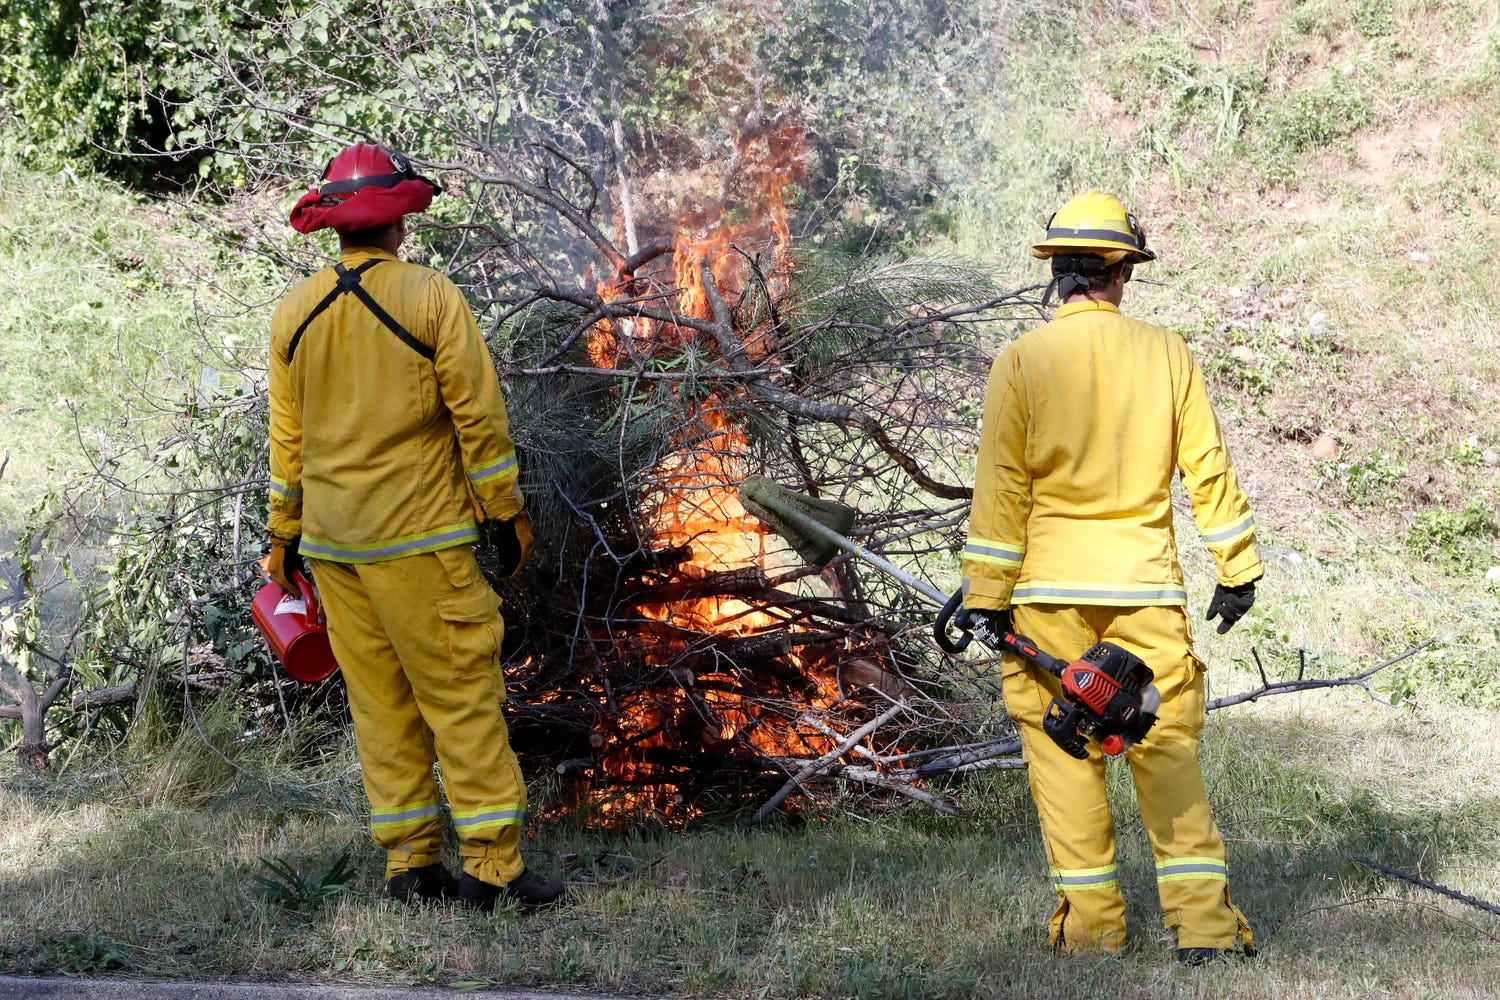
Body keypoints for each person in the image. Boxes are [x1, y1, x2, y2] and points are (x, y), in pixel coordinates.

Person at [961, 190, 1260, 963]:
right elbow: (1207, 469)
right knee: (1165, 755)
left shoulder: (1023, 360)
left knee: (1066, 755)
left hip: (1047, 598)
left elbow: (1002, 490)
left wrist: (986, 600)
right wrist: (1237, 568)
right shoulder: (1167, 354)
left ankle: (1092, 935)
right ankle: (1207, 933)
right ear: (1123, 270)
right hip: (1146, 592)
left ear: (1057, 272)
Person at [264, 141, 563, 911]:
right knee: (460, 699)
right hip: (422, 542)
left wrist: (283, 539)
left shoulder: (294, 312)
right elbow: (479, 417)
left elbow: (286, 445)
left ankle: (410, 866)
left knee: (381, 708)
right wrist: (504, 513)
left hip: (334, 549)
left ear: (335, 225)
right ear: (399, 220)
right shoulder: (432, 297)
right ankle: (493, 870)